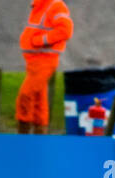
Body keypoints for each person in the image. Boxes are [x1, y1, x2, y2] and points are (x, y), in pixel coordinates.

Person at [17, 0, 74, 135]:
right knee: (39, 102)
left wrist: (40, 40)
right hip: (34, 61)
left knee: (25, 95)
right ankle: (39, 135)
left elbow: (65, 30)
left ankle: (22, 135)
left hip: (45, 60)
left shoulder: (55, 5)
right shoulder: (39, 6)